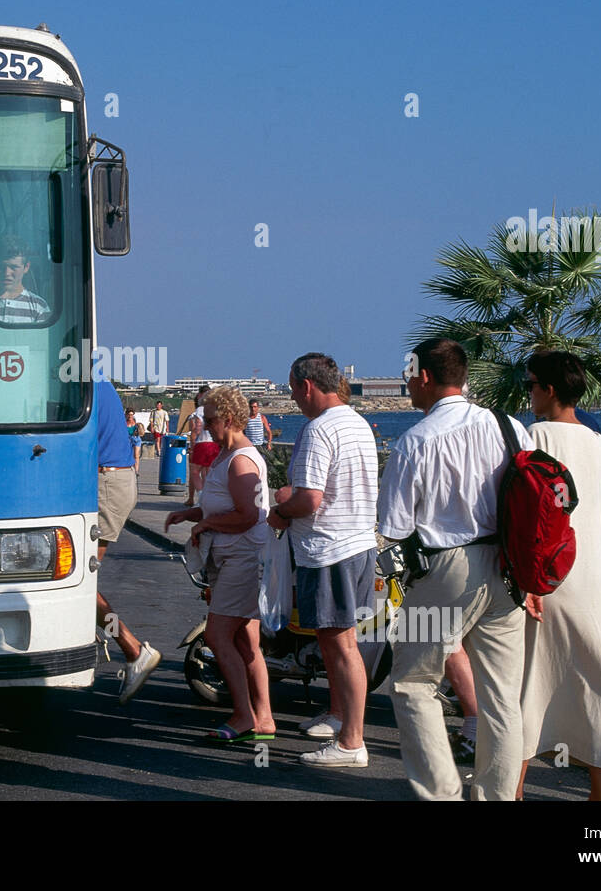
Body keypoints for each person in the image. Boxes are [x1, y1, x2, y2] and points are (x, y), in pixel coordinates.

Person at [378, 337, 533, 801]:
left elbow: (394, 526)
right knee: (503, 696)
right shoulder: (509, 428)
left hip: (447, 569)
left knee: (413, 683)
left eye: (409, 375)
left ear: (424, 376)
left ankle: (441, 793)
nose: (407, 385)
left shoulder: (416, 442)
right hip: (507, 570)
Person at [515, 351, 601, 801]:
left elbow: (526, 514)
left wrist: (525, 580)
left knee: (529, 683)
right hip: (597, 581)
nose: (528, 392)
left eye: (530, 384)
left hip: (547, 579)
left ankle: (516, 787)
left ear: (547, 389)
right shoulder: (597, 444)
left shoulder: (532, 437)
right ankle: (600, 794)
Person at [267, 353, 378, 767]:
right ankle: (338, 715)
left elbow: (310, 499)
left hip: (329, 549)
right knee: (338, 642)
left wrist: (280, 509)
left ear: (306, 386)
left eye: (293, 390)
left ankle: (352, 742)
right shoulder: (356, 423)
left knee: (340, 643)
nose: (294, 399)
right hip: (358, 543)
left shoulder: (318, 430)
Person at [166, 386, 274, 742]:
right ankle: (263, 718)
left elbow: (247, 516)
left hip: (240, 557)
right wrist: (192, 513)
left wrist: (208, 523)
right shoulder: (228, 456)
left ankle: (244, 715)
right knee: (245, 640)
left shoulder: (241, 459)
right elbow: (223, 505)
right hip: (235, 556)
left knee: (217, 634)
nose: (206, 425)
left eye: (210, 419)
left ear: (229, 418)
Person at [93, 378, 160, 704]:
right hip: (114, 478)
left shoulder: (74, 380)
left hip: (107, 481)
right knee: (80, 580)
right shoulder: (95, 379)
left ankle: (133, 650)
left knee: (80, 583)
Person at [185, 389, 219, 508]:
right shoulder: (215, 409)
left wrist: (193, 447)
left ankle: (201, 497)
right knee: (207, 473)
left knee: (194, 472)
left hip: (202, 443)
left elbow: (196, 428)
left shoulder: (200, 410)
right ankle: (208, 498)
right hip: (214, 444)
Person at [125, 409, 143, 475]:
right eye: (129, 414)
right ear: (126, 415)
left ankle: (136, 470)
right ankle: (130, 468)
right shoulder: (124, 423)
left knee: (136, 455)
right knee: (129, 455)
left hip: (136, 439)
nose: (130, 416)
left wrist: (139, 429)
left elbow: (140, 431)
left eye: (132, 414)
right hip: (128, 440)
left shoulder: (135, 422)